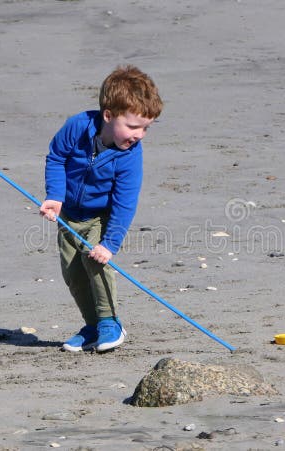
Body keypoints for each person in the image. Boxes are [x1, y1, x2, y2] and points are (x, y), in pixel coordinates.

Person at [40, 66, 163, 352]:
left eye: (146, 128)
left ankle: (111, 323)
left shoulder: (130, 156)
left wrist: (110, 243)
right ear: (108, 116)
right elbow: (57, 157)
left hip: (101, 216)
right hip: (69, 214)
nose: (140, 135)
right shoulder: (77, 126)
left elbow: (125, 202)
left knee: (96, 264)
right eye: (134, 127)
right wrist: (55, 196)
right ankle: (93, 325)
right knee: (73, 273)